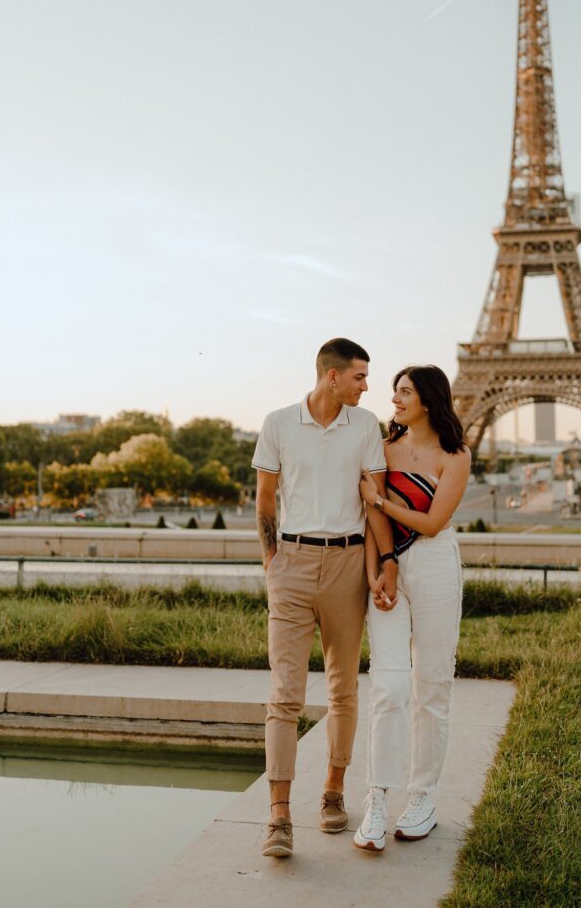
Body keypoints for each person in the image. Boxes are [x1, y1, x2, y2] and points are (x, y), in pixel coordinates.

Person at [252, 337, 398, 859]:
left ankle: (333, 791)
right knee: (284, 694)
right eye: (360, 376)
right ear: (332, 376)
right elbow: (266, 500)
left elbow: (374, 503)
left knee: (343, 688)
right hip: (291, 563)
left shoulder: (366, 426)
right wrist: (274, 564)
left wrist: (384, 564)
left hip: (346, 564)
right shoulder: (278, 424)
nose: (367, 385)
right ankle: (278, 817)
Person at [353, 365, 470, 852]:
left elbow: (434, 523)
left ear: (428, 399)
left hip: (437, 565)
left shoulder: (456, 455)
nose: (395, 399)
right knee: (389, 685)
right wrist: (374, 571)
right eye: (395, 391)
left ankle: (421, 797)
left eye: (404, 391)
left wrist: (381, 501)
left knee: (433, 685)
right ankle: (377, 800)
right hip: (388, 565)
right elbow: (365, 519)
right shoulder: (381, 449)